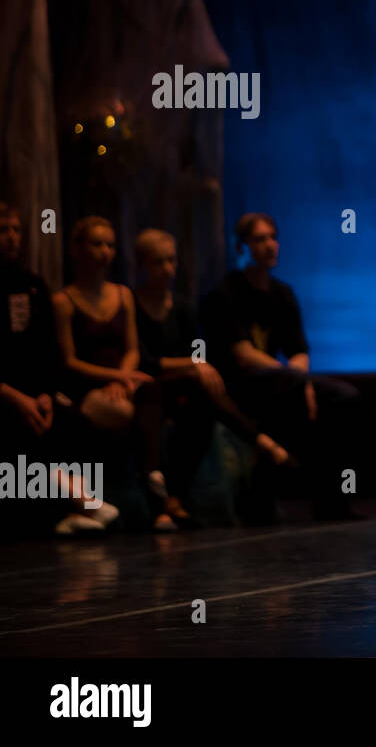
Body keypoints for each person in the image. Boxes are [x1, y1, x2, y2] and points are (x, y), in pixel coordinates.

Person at [200, 213, 360, 520]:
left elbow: (299, 350)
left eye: (273, 237)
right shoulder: (225, 294)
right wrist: (296, 380)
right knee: (292, 393)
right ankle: (267, 493)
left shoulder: (283, 294)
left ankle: (333, 501)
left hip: (282, 381)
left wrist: (299, 380)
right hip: (241, 384)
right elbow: (243, 354)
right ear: (242, 247)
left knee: (345, 397)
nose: (270, 245)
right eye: (260, 239)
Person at [133, 228, 297, 514]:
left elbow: (196, 350)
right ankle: (260, 441)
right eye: (159, 262)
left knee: (202, 406)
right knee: (199, 384)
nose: (168, 269)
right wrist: (194, 365)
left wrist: (196, 364)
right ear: (143, 265)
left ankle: (175, 497)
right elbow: (144, 361)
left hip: (184, 386)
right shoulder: (132, 304)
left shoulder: (182, 307)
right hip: (148, 386)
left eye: (172, 261)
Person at [51, 217, 185, 530]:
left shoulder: (123, 295)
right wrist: (110, 379)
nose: (104, 251)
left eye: (110, 244)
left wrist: (122, 378)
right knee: (120, 410)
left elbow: (133, 350)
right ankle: (150, 498)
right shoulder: (64, 301)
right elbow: (69, 361)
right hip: (85, 386)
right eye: (96, 244)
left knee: (150, 390)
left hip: (121, 382)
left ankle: (153, 477)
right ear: (78, 249)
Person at [0, 203, 119, 536]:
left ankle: (62, 511)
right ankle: (76, 502)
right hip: (6, 396)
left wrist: (44, 394)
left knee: (74, 423)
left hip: (34, 392)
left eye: (16, 230)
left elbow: (44, 352)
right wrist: (16, 398)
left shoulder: (32, 284)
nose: (10, 238)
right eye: (2, 230)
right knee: (16, 431)